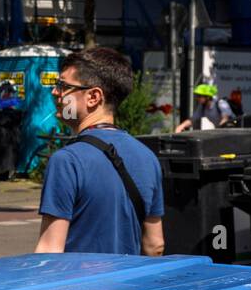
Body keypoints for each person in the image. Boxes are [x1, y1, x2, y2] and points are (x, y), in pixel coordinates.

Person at [35, 47, 164, 256]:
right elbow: (155, 245)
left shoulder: (67, 161)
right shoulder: (148, 157)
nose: (54, 92)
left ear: (93, 97)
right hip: (128, 286)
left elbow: (50, 251)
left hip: (79, 287)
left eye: (62, 86)